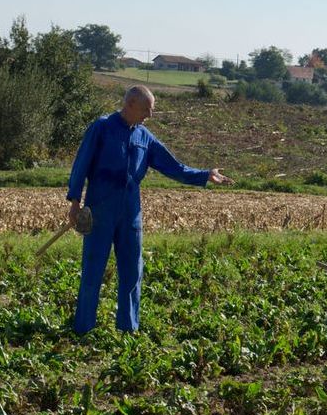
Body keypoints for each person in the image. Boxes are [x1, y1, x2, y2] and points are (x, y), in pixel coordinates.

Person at [67, 85, 233, 335]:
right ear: (130, 104)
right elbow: (81, 164)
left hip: (130, 212)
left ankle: (128, 329)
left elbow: (174, 167)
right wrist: (74, 202)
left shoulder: (145, 137)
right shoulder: (101, 127)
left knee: (132, 270)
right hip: (100, 210)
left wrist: (204, 175)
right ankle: (83, 328)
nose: (150, 115)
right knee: (93, 269)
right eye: (147, 109)